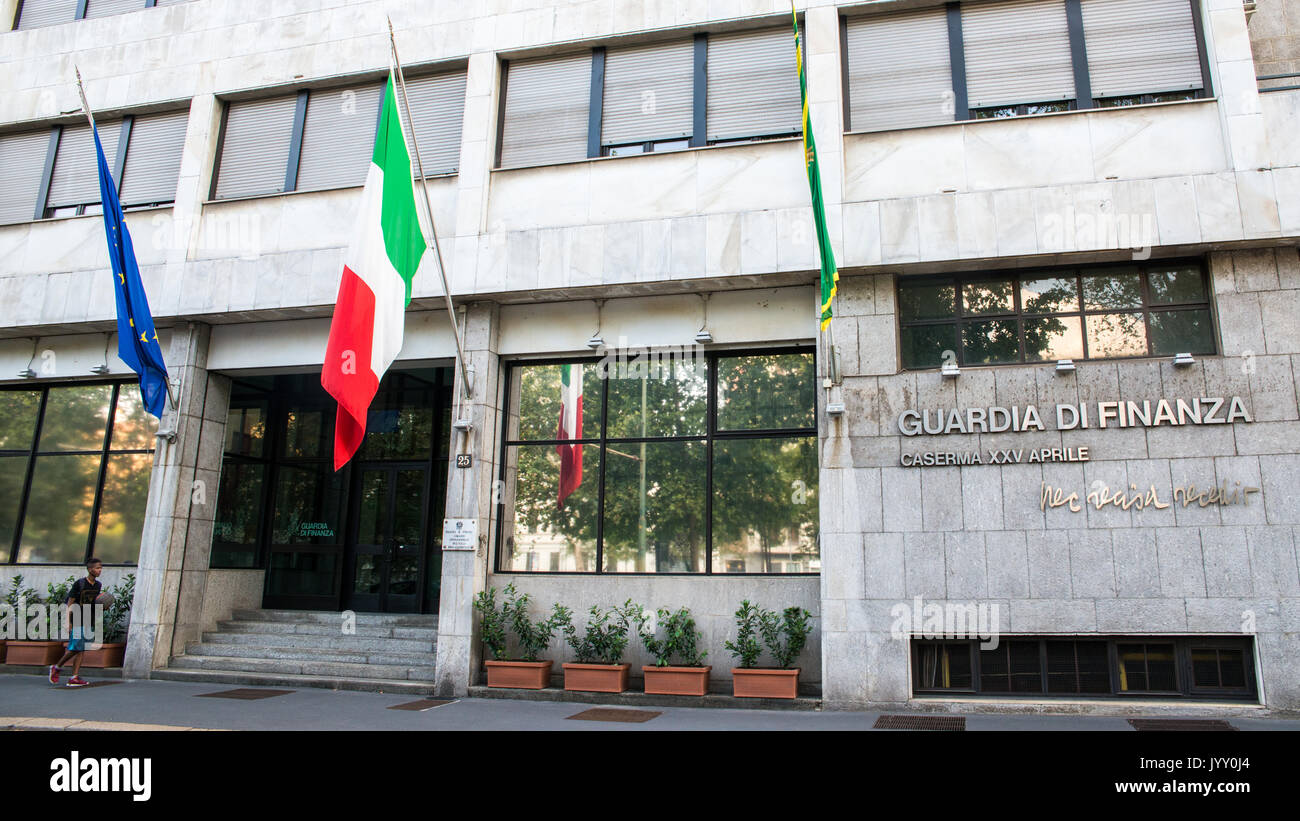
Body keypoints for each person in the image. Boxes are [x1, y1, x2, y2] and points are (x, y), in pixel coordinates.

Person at [49, 558, 103, 688]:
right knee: (75, 647)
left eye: (101, 568)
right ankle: (56, 667)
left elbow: (93, 603)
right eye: (97, 568)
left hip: (88, 619)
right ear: (90, 569)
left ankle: (74, 677)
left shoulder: (98, 585)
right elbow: (70, 603)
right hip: (77, 619)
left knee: (81, 649)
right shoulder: (79, 584)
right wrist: (67, 621)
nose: (100, 570)